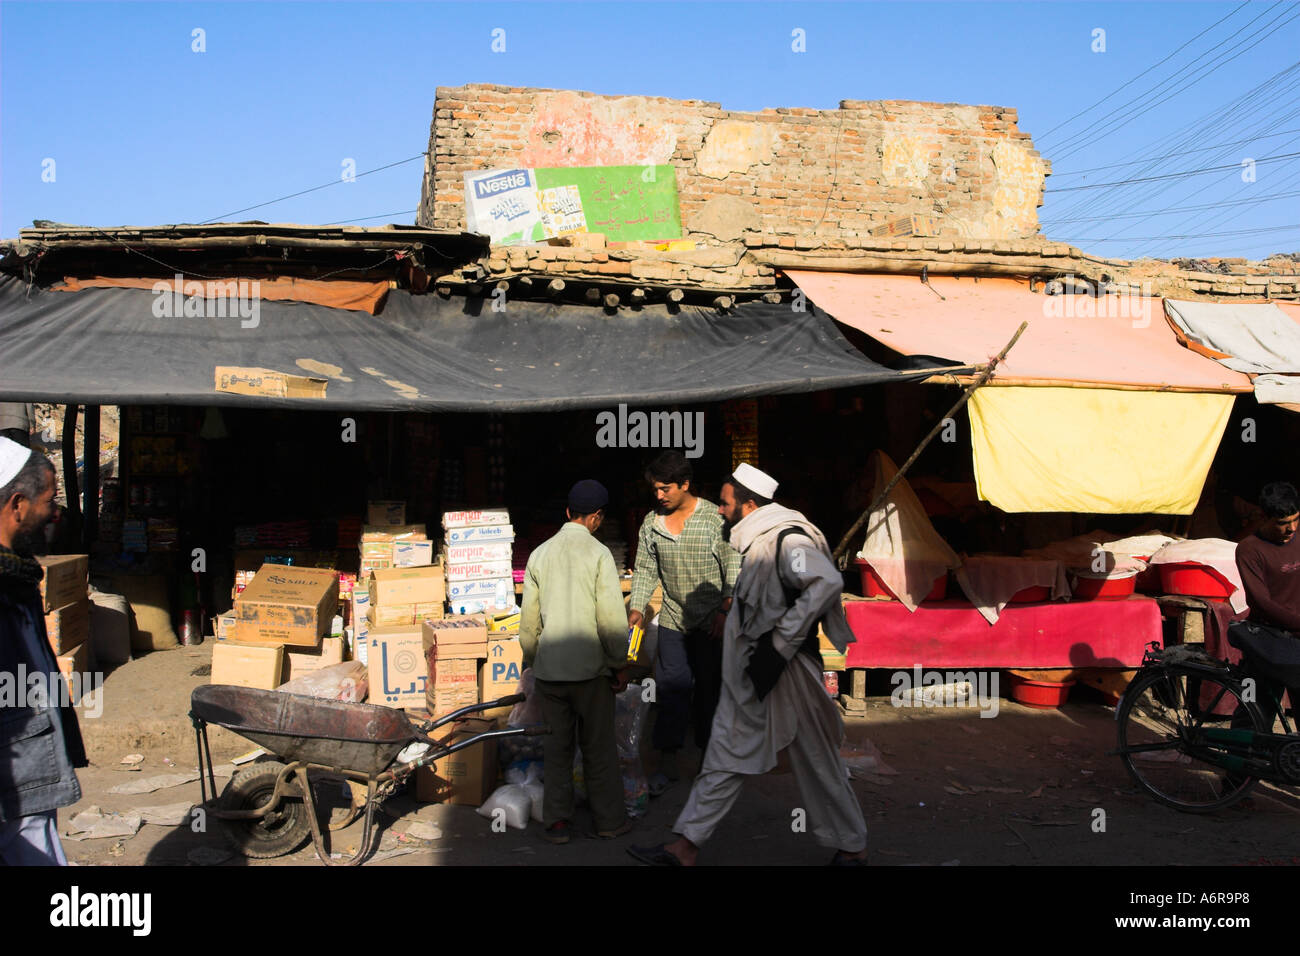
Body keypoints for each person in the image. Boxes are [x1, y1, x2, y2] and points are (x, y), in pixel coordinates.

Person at [629, 463, 868, 866]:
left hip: (786, 672)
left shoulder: (785, 540)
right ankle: (685, 848)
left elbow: (826, 581)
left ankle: (853, 848)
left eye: (725, 504)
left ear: (750, 505)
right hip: (758, 672)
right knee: (727, 752)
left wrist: (780, 642)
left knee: (814, 758)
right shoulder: (760, 539)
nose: (720, 510)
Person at [519, 479, 633, 844]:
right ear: (597, 517)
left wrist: (531, 661)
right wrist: (618, 663)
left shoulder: (539, 555)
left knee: (557, 751)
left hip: (551, 674)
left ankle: (557, 824)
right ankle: (609, 822)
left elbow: (529, 623)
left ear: (568, 512)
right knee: (599, 750)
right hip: (592, 674)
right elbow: (611, 620)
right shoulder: (600, 555)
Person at [627, 451, 739, 789]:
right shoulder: (652, 523)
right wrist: (637, 607)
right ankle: (667, 757)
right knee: (671, 688)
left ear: (685, 484)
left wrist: (725, 610)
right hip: (673, 619)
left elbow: (733, 568)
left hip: (711, 621)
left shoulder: (714, 520)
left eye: (666, 489)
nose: (659, 495)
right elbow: (645, 570)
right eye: (656, 489)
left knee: (709, 690)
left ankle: (709, 757)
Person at [0, 438, 86, 864]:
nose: (55, 513)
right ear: (18, 504)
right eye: (49, 500)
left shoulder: (16, 573)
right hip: (16, 760)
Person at [1232, 481, 1300, 724]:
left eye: (1296, 520)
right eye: (1282, 523)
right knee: (1252, 710)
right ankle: (1240, 748)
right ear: (1263, 517)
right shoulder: (1249, 549)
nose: (1291, 529)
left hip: (1297, 639)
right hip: (1266, 640)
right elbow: (1261, 602)